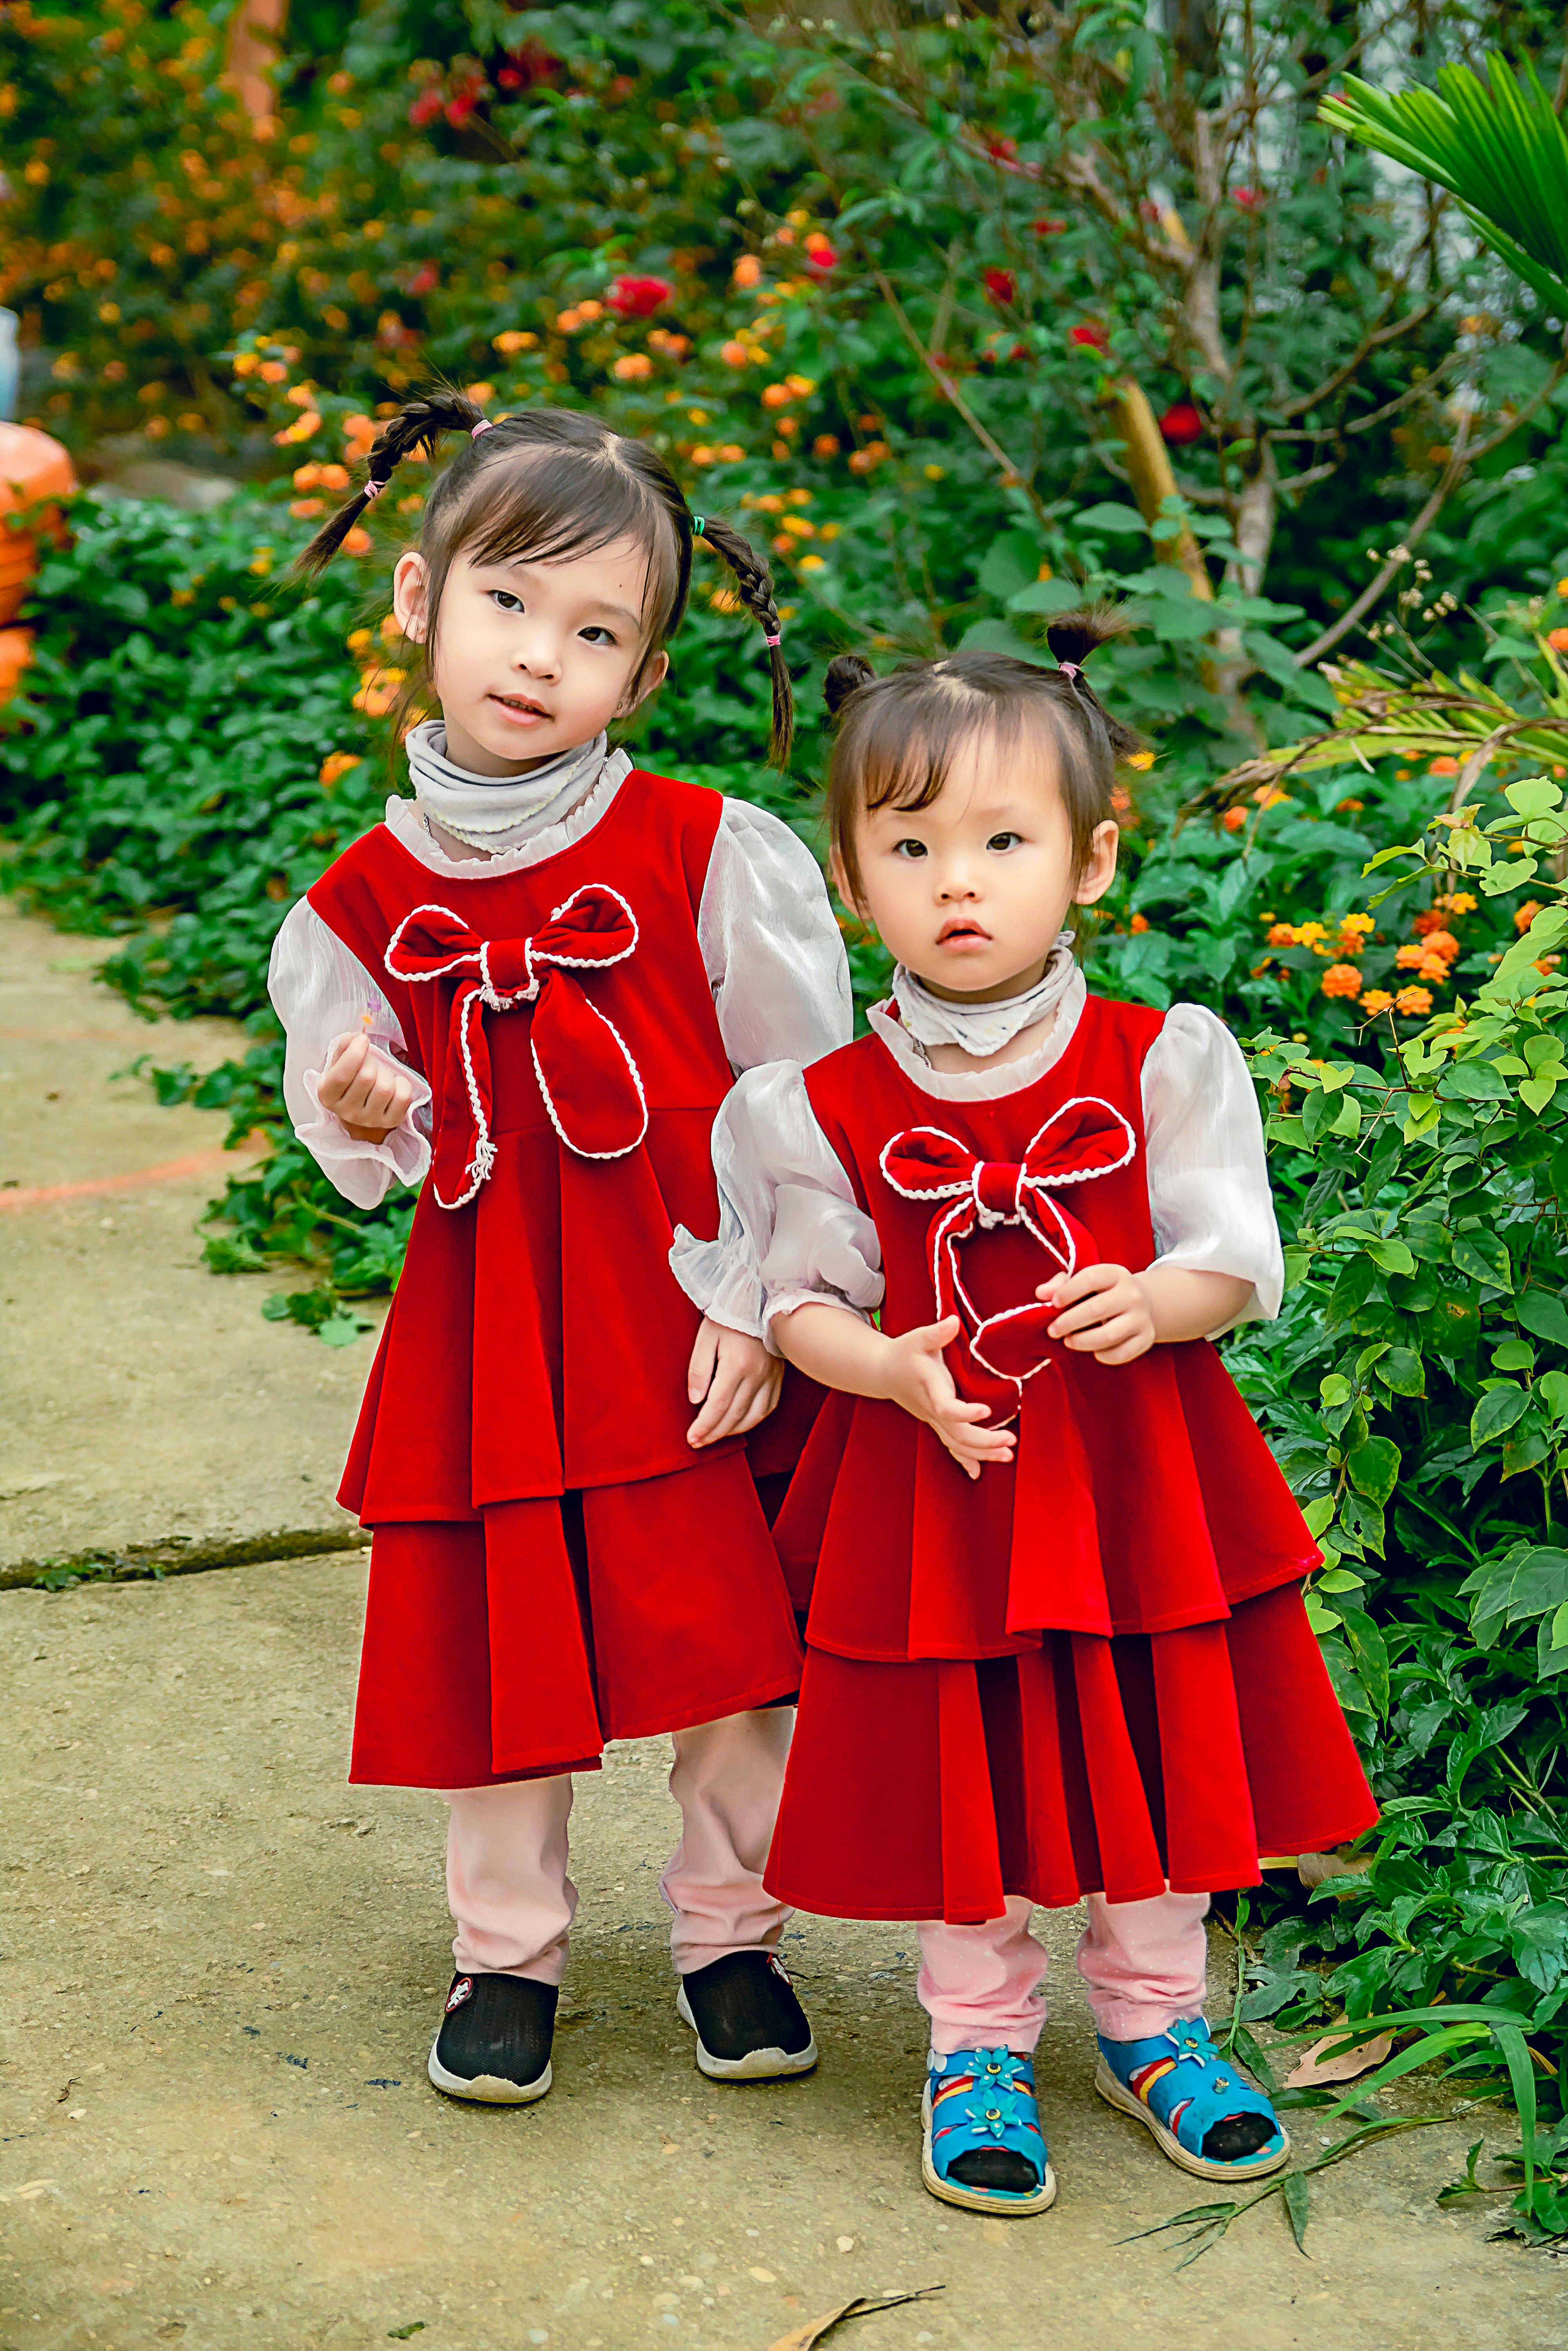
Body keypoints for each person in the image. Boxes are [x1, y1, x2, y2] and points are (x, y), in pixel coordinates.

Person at [671, 614, 1377, 2215]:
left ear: (1091, 861)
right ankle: (975, 2040)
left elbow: (1233, 1253)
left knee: (1152, 1737)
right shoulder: (813, 1107)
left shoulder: (1160, 1060)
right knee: (966, 1756)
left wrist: (1161, 1301)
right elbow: (798, 1298)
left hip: (1130, 1476)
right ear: (854, 882)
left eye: (1004, 841)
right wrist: (882, 1367)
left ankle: (1155, 2018)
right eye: (911, 847)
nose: (959, 884)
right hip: (944, 1481)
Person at [267, 393, 851, 2110]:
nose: (540, 656)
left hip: (689, 1305)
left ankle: (730, 1933)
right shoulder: (355, 904)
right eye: (508, 602)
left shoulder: (709, 853)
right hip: (500, 1327)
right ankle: (505, 1950)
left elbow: (809, 1100)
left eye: (596, 632)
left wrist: (772, 1302)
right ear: (418, 599)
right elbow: (367, 1139)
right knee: (501, 1639)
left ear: (643, 675)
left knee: (733, 1640)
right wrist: (370, 1102)